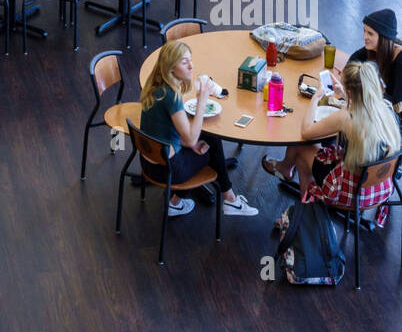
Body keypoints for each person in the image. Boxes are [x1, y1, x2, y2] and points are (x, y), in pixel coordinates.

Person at [139, 39, 258, 216]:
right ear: (171, 67)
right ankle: (230, 200)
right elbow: (191, 138)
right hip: (168, 170)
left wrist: (190, 145)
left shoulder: (155, 87)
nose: (191, 66)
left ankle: (182, 202)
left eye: (190, 60)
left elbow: (163, 132)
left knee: (207, 139)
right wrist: (202, 99)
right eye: (184, 62)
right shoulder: (171, 96)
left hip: (149, 160)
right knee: (212, 148)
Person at [263, 61, 401, 214]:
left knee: (302, 149)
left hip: (352, 193)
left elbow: (306, 131)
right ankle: (286, 169)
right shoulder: (386, 107)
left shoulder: (346, 117)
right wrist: (344, 92)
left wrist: (316, 97)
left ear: (351, 92)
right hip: (381, 186)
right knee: (314, 151)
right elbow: (362, 108)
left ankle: (307, 219)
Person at [348, 8, 402, 112]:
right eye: (364, 31)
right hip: (378, 108)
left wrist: (366, 90)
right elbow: (352, 62)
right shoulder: (375, 48)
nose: (364, 37)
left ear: (383, 38)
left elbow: (396, 105)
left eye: (370, 33)